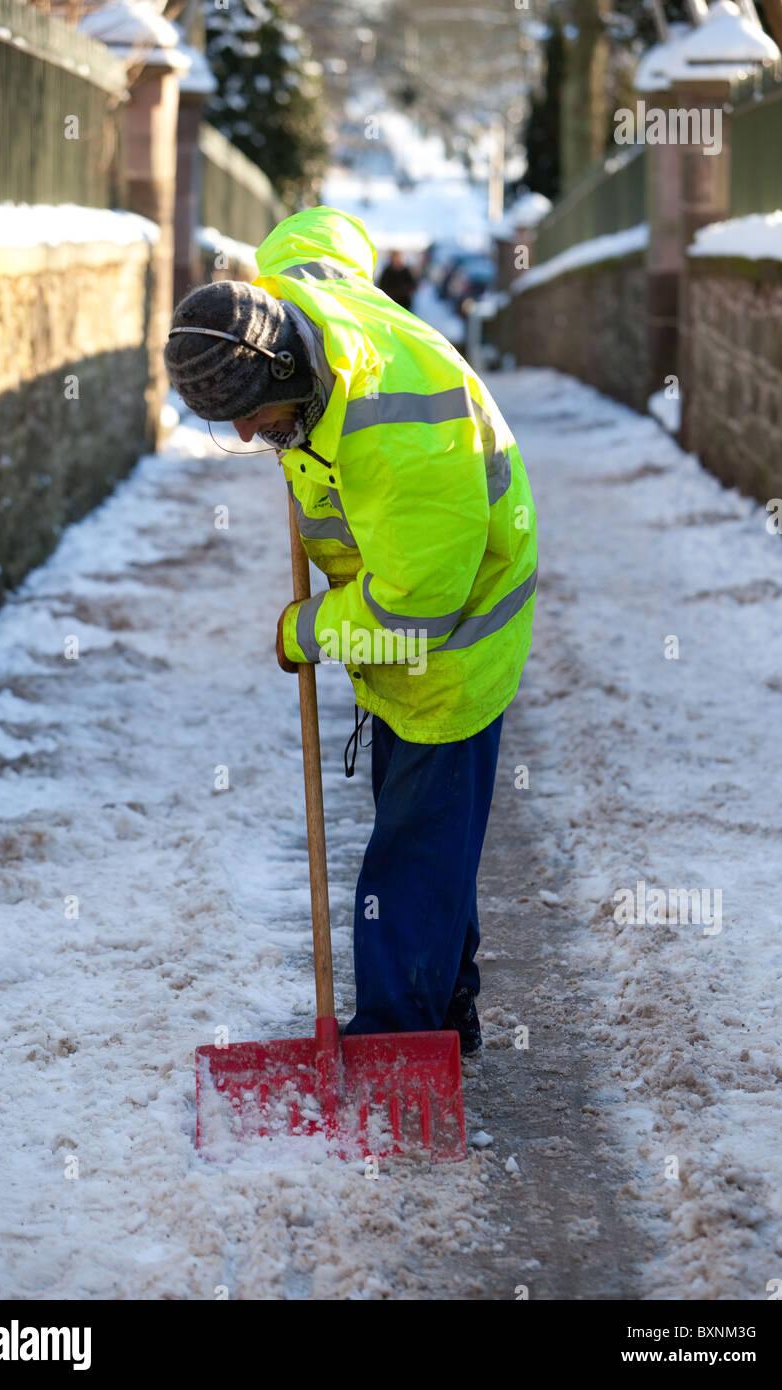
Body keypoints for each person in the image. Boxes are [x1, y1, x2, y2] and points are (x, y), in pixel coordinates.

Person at [163, 206, 537, 1055]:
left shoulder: (404, 438)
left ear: (289, 366)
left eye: (258, 419)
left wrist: (309, 629)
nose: (253, 436)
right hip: (405, 597)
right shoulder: (286, 295)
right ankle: (446, 1010)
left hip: (454, 635)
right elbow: (325, 231)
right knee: (430, 836)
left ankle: (395, 1044)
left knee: (411, 854)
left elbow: (411, 619)